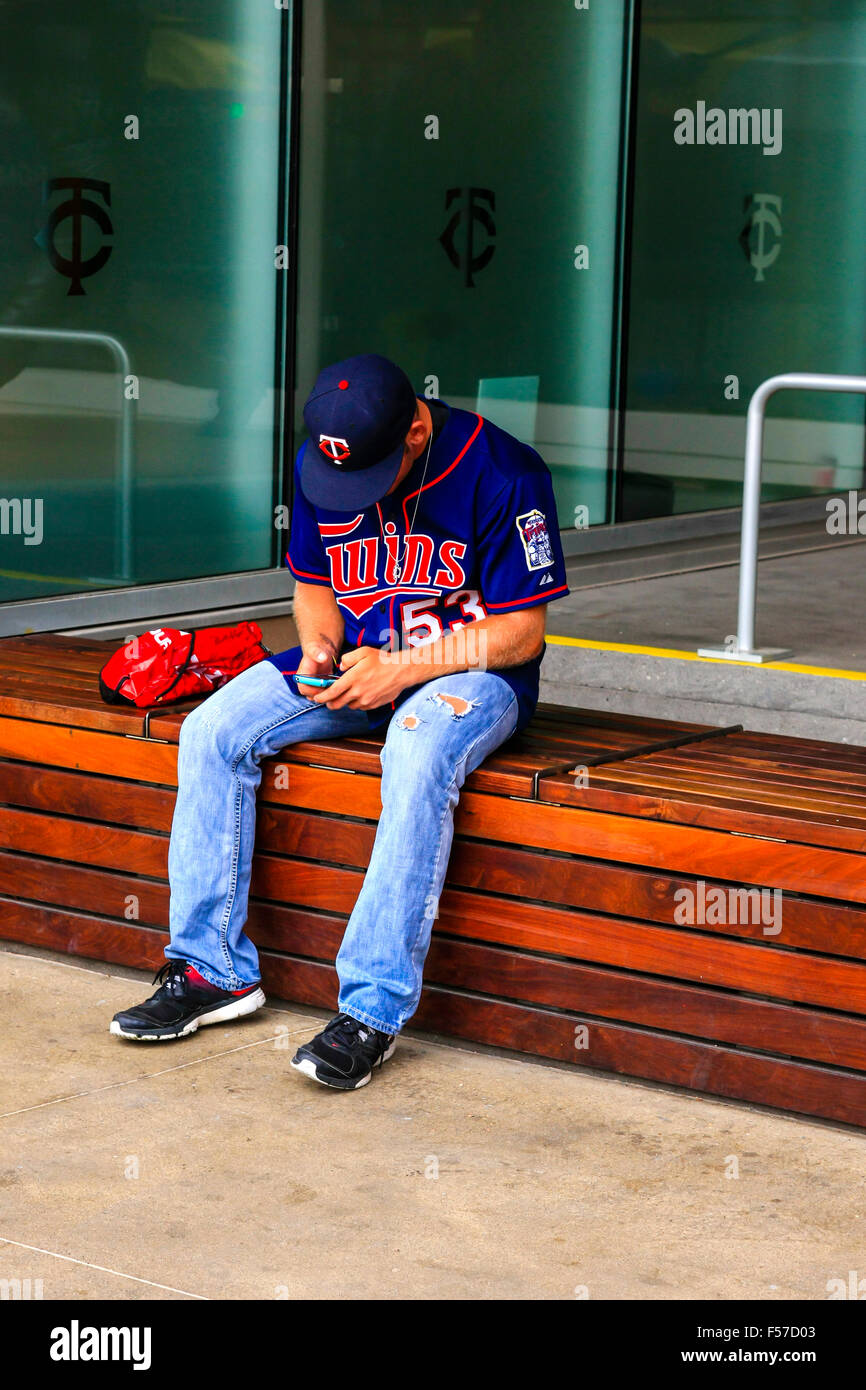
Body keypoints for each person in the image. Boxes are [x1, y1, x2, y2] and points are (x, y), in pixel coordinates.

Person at [111, 354, 569, 1089]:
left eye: (367, 474)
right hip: (356, 664)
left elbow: (523, 633)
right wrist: (321, 646)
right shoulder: (326, 460)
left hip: (474, 678)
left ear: (415, 430)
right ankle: (212, 970)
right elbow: (314, 585)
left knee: (416, 753)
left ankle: (372, 1011)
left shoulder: (505, 470)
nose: (346, 492)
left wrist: (403, 668)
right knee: (211, 731)